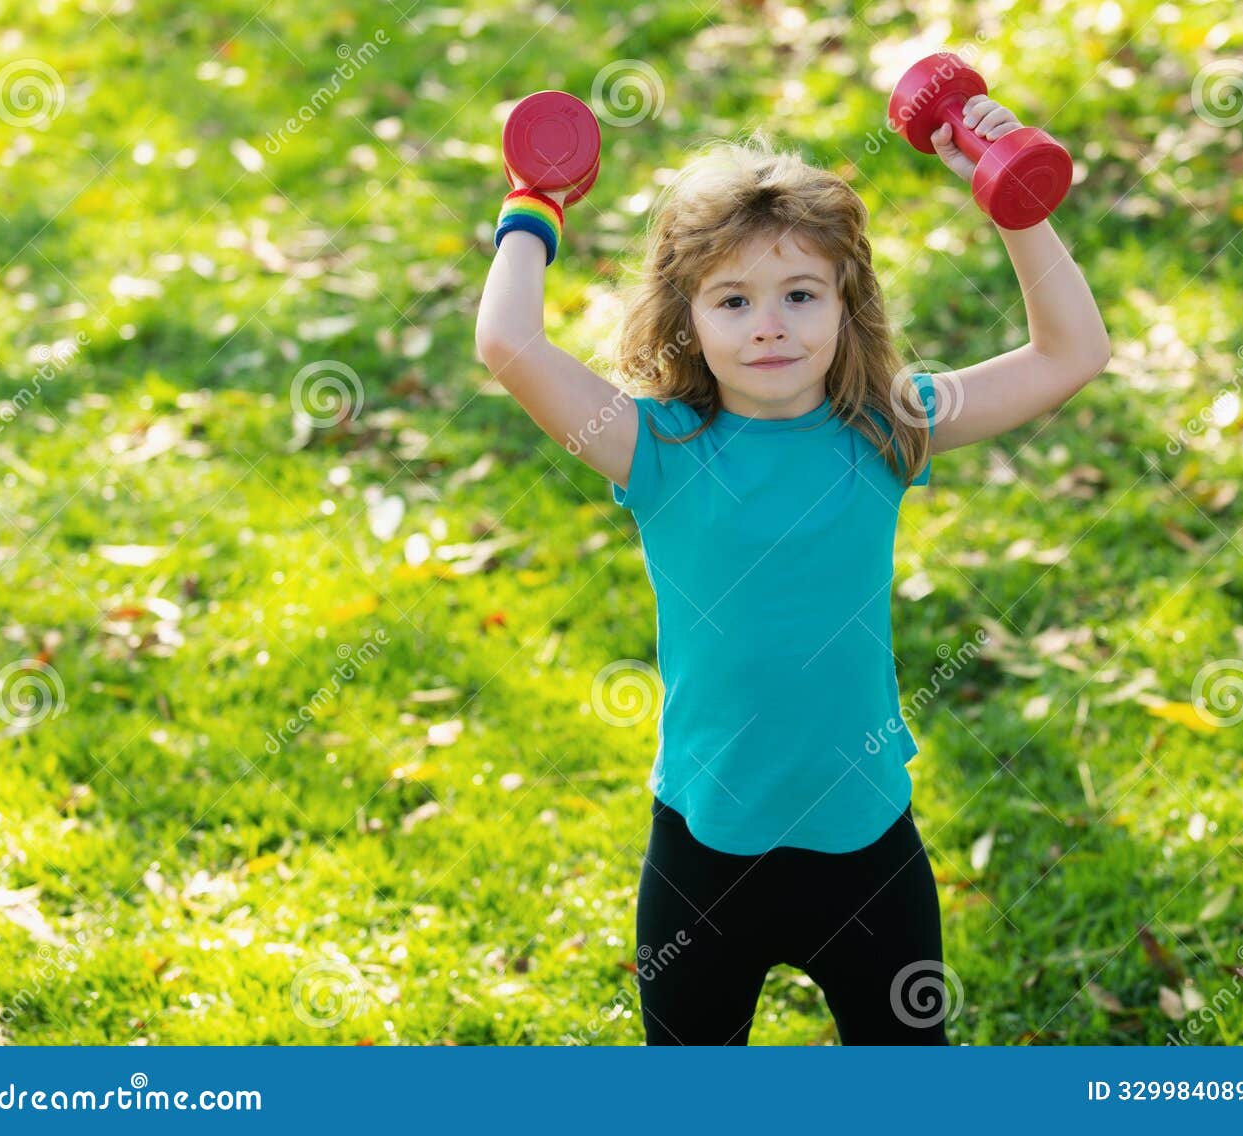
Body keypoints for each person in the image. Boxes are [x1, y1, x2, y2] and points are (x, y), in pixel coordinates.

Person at [474, 94, 1111, 1044]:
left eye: (801, 295)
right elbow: (509, 344)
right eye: (732, 301)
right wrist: (535, 206)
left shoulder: (888, 426)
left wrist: (1011, 199)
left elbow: (1072, 353)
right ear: (685, 318)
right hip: (703, 855)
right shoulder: (656, 448)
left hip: (865, 851)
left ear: (847, 308)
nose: (769, 326)